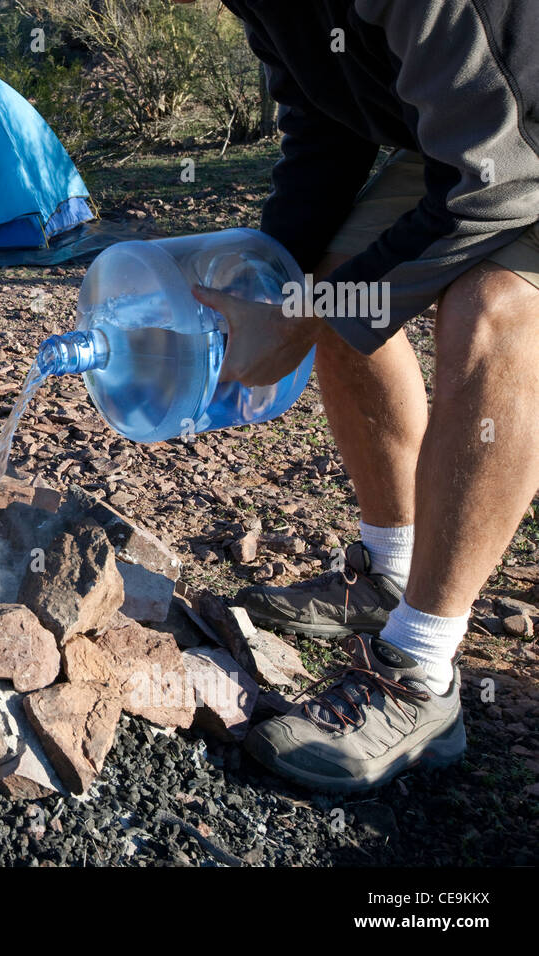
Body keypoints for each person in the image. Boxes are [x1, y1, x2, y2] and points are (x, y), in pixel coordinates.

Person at [183, 0, 539, 792]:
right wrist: (278, 281)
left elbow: (497, 188)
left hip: (508, 152)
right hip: (486, 136)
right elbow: (323, 120)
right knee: (334, 274)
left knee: (491, 306)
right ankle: (387, 573)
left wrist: (305, 319)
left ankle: (422, 670)